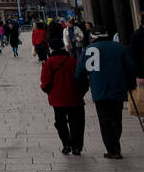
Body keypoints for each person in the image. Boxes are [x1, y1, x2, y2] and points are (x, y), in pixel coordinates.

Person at [75, 27, 137, 159]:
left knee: (105, 120)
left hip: (99, 89)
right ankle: (115, 143)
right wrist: (131, 84)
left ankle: (112, 148)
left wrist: (81, 88)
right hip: (117, 87)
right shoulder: (119, 48)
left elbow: (80, 72)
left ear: (93, 37)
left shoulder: (88, 50)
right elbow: (130, 67)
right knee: (116, 117)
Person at [40, 38, 85, 155]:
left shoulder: (49, 62)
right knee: (77, 123)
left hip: (58, 99)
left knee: (60, 122)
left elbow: (45, 82)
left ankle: (66, 144)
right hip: (74, 97)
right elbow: (82, 78)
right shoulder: (73, 61)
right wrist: (82, 92)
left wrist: (49, 91)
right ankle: (77, 147)